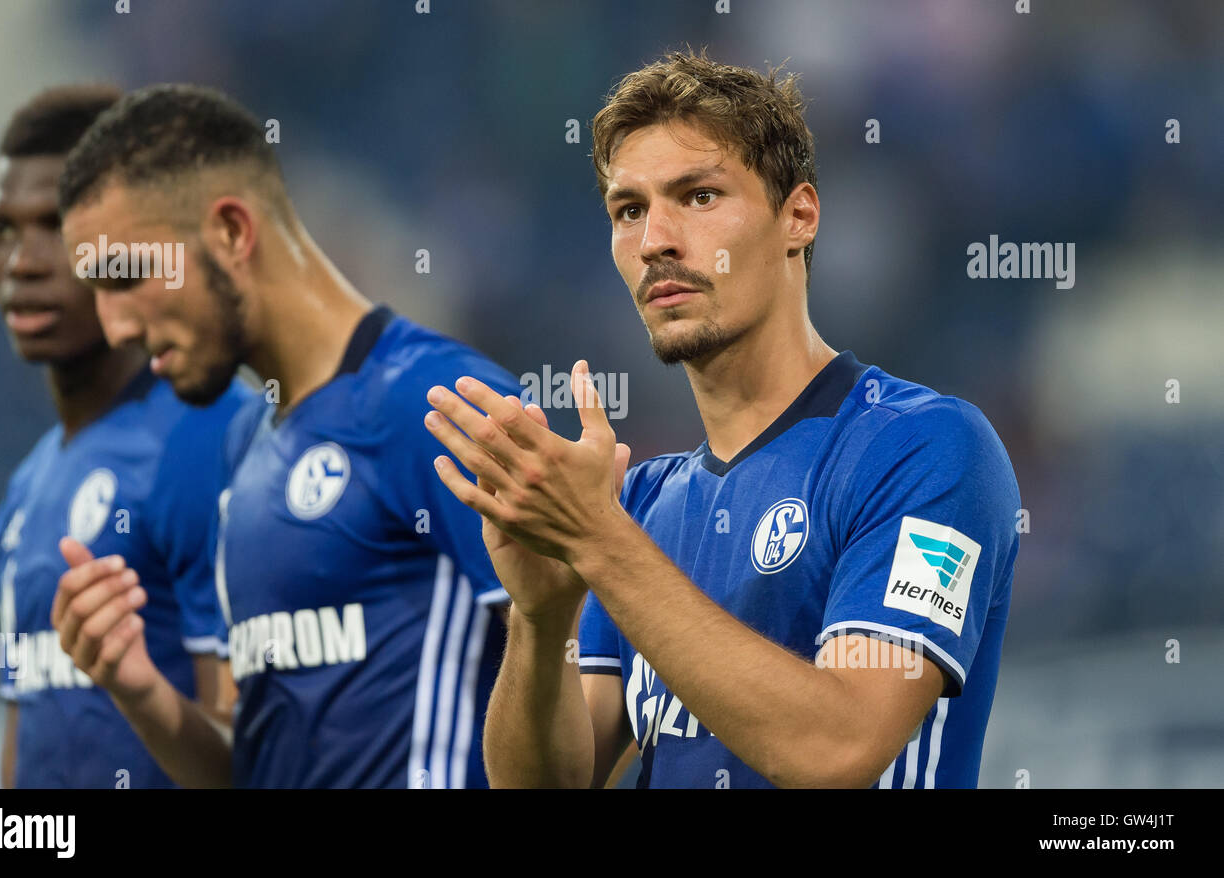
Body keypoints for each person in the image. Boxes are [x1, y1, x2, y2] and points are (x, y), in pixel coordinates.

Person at [422, 50, 1021, 788]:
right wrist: (540, 621)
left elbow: (838, 748)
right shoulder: (637, 507)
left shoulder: (923, 448)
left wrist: (599, 542)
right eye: (629, 210)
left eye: (699, 196)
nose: (655, 242)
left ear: (798, 216)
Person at [51, 84, 520, 788]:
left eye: (126, 275)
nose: (114, 327)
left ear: (232, 232)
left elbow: (593, 713)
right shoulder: (243, 456)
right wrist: (139, 687)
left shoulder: (434, 402)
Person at [0, 85, 244, 788]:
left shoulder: (216, 437)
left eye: (55, 228)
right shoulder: (28, 486)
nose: (22, 263)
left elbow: (258, 754)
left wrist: (139, 690)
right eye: (1, 229)